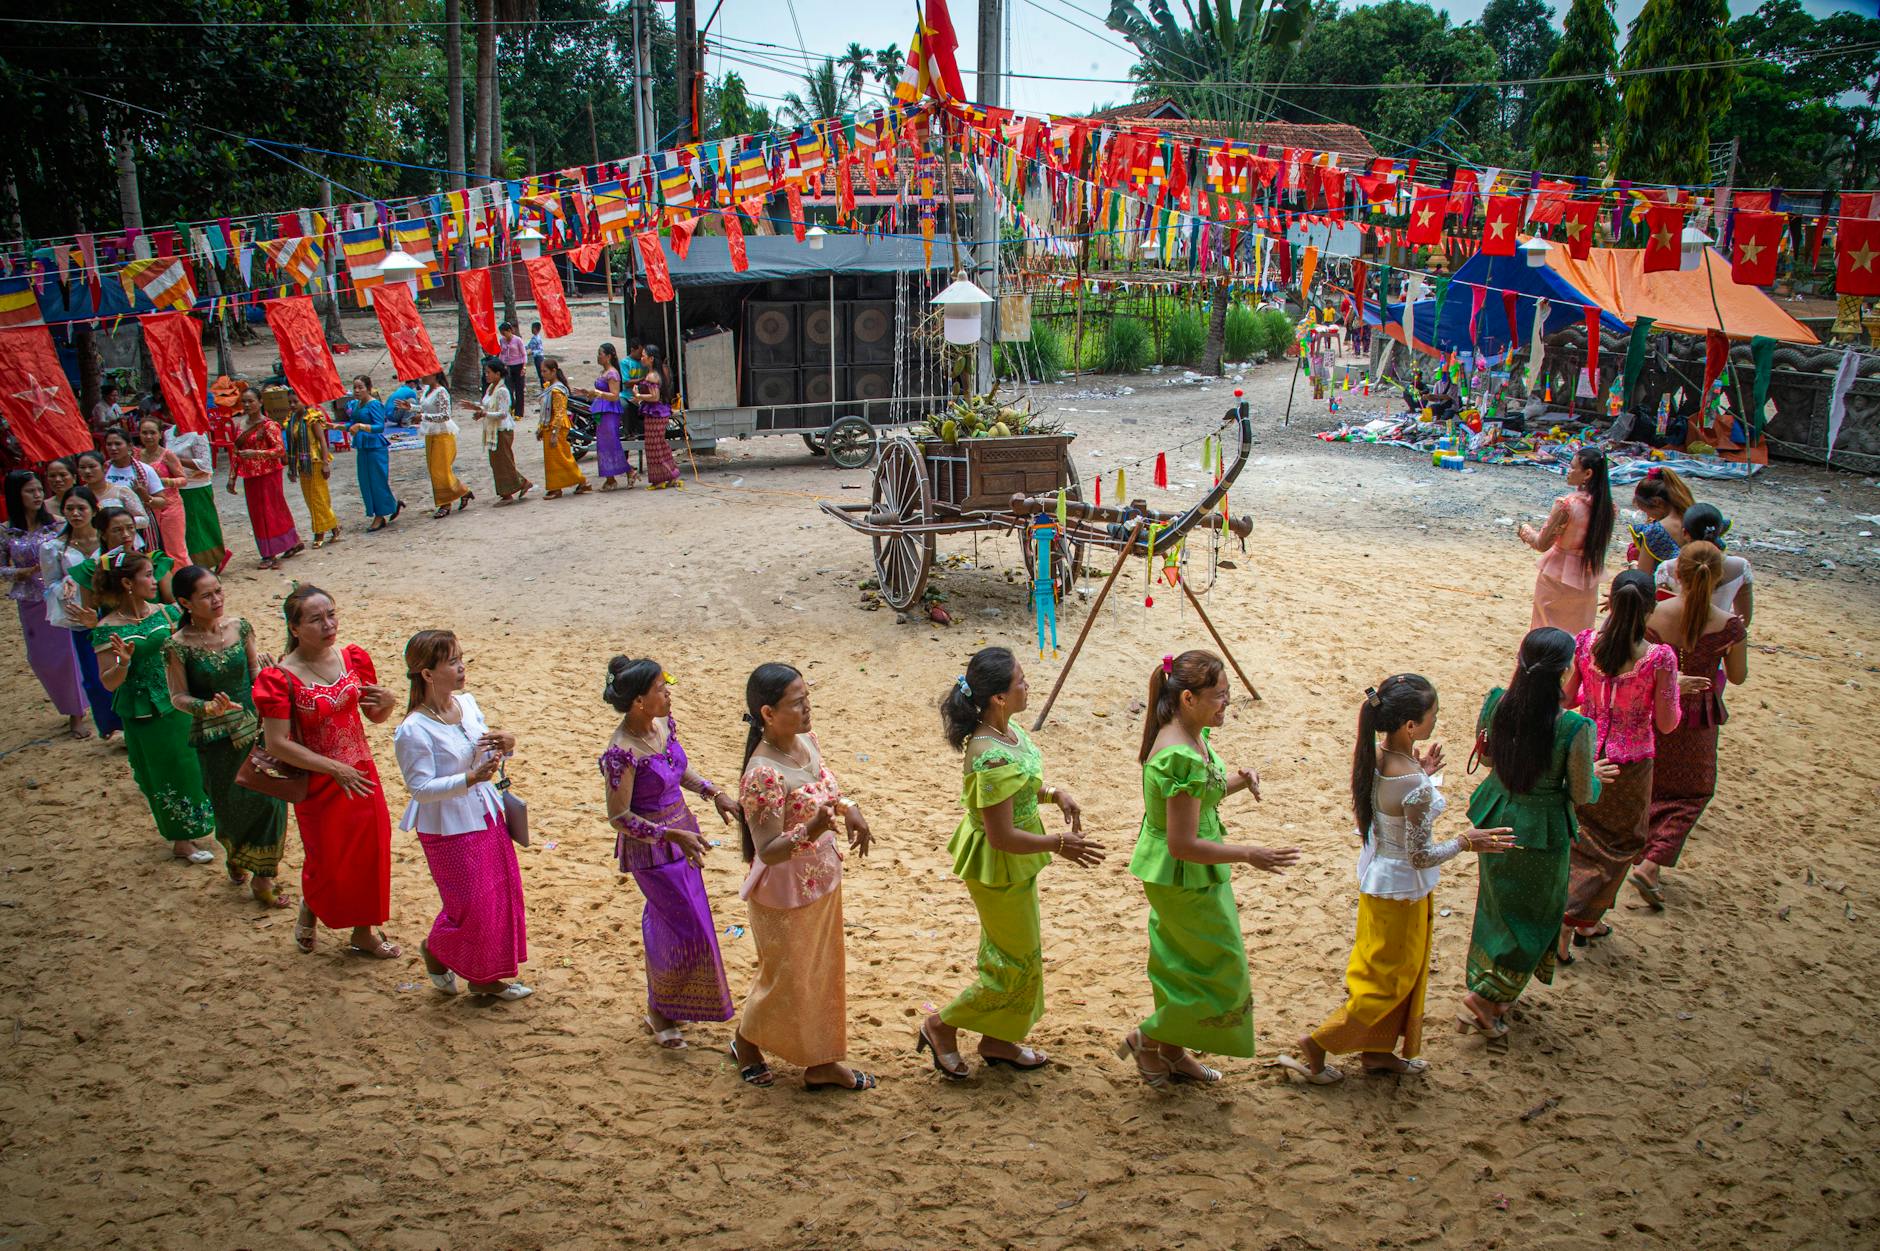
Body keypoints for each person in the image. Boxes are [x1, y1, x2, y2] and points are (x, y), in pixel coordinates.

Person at [1281, 677, 1514, 1084]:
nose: (1435, 720)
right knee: (1392, 979)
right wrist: (1465, 841)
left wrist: (1421, 772)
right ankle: (1318, 1044)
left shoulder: (1378, 758)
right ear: (1410, 726)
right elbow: (1421, 855)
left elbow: (1391, 811)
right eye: (1432, 716)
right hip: (1403, 890)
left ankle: (1378, 1052)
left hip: (1381, 881)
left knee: (1382, 971)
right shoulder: (1412, 785)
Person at [919, 647, 1103, 1081]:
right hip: (999, 864)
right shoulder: (990, 754)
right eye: (1021, 680)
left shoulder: (1007, 731)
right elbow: (1000, 834)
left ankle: (998, 1040)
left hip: (1013, 863)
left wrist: (1053, 793)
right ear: (998, 697)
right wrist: (1059, 843)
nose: (1027, 685)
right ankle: (940, 1025)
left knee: (1013, 955)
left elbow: (1018, 791)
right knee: (1014, 963)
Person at [1120, 650, 1298, 1086]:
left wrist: (1238, 781)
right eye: (1219, 696)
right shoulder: (1179, 754)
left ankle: (1171, 1052)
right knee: (1220, 970)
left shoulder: (1190, 733)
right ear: (1186, 698)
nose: (1226, 705)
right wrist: (1249, 853)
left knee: (1181, 964)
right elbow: (1183, 844)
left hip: (1183, 873)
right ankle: (1147, 1038)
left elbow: (1198, 798)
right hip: (1183, 875)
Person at [1460, 628, 1616, 1037]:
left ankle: (1489, 989)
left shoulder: (1497, 702)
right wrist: (1595, 776)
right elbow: (1582, 792)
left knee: (1496, 908)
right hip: (1541, 829)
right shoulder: (1573, 727)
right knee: (1538, 916)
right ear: (1565, 671)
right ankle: (1486, 999)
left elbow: (1491, 761)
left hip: (1497, 814)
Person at [729, 663, 876, 1092]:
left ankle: (821, 1061)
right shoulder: (762, 774)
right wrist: (812, 828)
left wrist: (850, 809)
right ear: (768, 714)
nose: (807, 709)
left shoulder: (806, 742)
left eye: (807, 698)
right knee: (786, 977)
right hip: (784, 890)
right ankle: (745, 1041)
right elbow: (768, 850)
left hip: (822, 879)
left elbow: (827, 792)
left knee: (822, 973)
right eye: (797, 703)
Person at [253, 585, 401, 958]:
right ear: (295, 627)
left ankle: (364, 932)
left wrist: (388, 703)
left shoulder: (351, 657)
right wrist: (334, 768)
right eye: (316, 619)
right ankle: (312, 904)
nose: (329, 624)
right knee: (327, 858)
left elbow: (373, 716)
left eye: (331, 615)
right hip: (318, 779)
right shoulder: (280, 677)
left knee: (370, 853)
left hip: (361, 772)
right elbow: (276, 742)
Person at [599, 656, 736, 1045]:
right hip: (653, 852)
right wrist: (669, 835)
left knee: (690, 923)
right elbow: (619, 816)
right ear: (640, 702)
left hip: (683, 837)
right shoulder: (621, 753)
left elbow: (678, 770)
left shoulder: (661, 726)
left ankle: (666, 1006)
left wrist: (714, 793)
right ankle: (659, 1010)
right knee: (681, 927)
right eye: (661, 688)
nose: (668, 693)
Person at [396, 630, 531, 999]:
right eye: (452, 662)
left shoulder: (467, 705)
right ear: (427, 674)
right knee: (470, 903)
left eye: (460, 659)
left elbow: (482, 748)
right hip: (448, 826)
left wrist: (505, 745)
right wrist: (470, 778)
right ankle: (440, 950)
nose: (461, 668)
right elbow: (420, 789)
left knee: (498, 896)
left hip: (485, 814)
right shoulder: (413, 729)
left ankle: (484, 976)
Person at [1555, 570, 1684, 958]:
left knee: (1581, 839)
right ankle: (1572, 917)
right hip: (1631, 763)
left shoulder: (1586, 644)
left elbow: (1568, 698)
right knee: (1623, 843)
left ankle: (1582, 919)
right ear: (1651, 607)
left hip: (1586, 752)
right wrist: (1677, 691)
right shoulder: (1659, 658)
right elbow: (1666, 722)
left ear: (1610, 601)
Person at [1630, 543, 1750, 910]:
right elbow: (1738, 676)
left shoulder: (1653, 614)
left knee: (1648, 781)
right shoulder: (1729, 625)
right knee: (1692, 792)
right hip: (1698, 712)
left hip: (1653, 705)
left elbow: (1635, 663)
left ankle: (1637, 851)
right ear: (1716, 579)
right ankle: (1652, 863)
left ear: (1676, 574)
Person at [162, 565, 289, 906]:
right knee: (230, 805)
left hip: (255, 727)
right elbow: (177, 697)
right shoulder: (177, 647)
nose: (217, 599)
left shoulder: (240, 627)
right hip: (216, 740)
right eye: (206, 595)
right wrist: (207, 708)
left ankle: (263, 878)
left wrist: (268, 673)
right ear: (186, 603)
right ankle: (236, 855)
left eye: (218, 590)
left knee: (270, 800)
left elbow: (253, 675)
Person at [92, 552, 218, 862]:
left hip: (178, 699)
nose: (154, 580)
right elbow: (109, 682)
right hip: (144, 710)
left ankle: (203, 823)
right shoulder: (106, 629)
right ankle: (181, 839)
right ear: (127, 583)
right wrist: (123, 662)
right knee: (163, 770)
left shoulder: (165, 613)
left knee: (193, 762)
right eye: (147, 575)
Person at [2, 470, 89, 737]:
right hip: (29, 599)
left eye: (40, 489)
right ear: (17, 495)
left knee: (67, 656)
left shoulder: (58, 523)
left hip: (61, 596)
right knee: (41, 659)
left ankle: (77, 712)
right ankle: (68, 704)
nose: (38, 495)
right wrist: (20, 573)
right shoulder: (6, 531)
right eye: (30, 491)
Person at [39, 487, 119, 738]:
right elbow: (48, 583)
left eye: (81, 508)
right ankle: (109, 725)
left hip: (113, 610)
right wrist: (64, 584)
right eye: (69, 509)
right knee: (94, 676)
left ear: (94, 509)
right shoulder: (54, 548)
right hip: (83, 616)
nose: (75, 513)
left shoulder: (109, 538)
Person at [1517, 445, 1613, 636]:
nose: (1568, 472)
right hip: (1587, 576)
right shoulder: (1607, 508)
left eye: (1572, 467)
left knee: (1545, 627)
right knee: (1579, 632)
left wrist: (1524, 530)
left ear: (1587, 474)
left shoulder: (1567, 505)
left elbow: (1542, 543)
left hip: (1557, 575)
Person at [226, 389, 304, 570]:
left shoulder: (269, 425)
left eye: (250, 401)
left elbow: (279, 450)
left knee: (271, 510)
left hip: (268, 473)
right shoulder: (241, 425)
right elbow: (236, 453)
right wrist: (232, 477)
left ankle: (270, 553)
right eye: (244, 402)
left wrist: (256, 453)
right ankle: (290, 543)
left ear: (260, 402)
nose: (247, 405)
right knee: (257, 513)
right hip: (250, 475)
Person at [1658, 504, 1752, 625]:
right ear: (1720, 531)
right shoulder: (1740, 567)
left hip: (1675, 638)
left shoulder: (1668, 568)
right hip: (1720, 638)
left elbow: (1663, 615)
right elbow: (1744, 620)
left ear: (1685, 532)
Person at [163, 420, 228, 571]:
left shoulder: (197, 434)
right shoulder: (168, 433)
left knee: (201, 526)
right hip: (177, 486)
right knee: (186, 528)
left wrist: (176, 461)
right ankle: (193, 563)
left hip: (196, 486)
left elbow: (205, 464)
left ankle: (210, 561)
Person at [466, 357, 532, 504]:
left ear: (497, 374)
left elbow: (503, 413)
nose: (486, 375)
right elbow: (488, 406)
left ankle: (508, 492)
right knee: (497, 462)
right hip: (494, 429)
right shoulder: (491, 389)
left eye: (488, 372)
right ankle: (519, 484)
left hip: (502, 429)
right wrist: (477, 408)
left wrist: (484, 414)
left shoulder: (502, 391)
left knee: (503, 461)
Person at [344, 376, 404, 532]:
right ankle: (391, 504)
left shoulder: (374, 404)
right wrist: (331, 426)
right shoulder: (356, 404)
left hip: (375, 446)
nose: (357, 391)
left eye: (361, 387)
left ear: (369, 388)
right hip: (362, 446)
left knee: (377, 480)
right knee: (365, 481)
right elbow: (351, 424)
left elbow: (379, 427)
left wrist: (361, 426)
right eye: (355, 387)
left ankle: (380, 515)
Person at [283, 403, 341, 548]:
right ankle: (333, 526)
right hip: (301, 463)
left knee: (318, 497)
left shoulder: (312, 418)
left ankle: (319, 531)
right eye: (289, 402)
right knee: (310, 498)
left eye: (295, 401)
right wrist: (291, 467)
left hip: (315, 461)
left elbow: (322, 440)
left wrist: (325, 463)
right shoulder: (291, 420)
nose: (292, 405)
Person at [133, 417, 190, 559]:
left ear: (160, 434)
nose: (148, 437)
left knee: (175, 549)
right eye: (144, 433)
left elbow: (183, 480)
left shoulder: (167, 455)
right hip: (148, 508)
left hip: (170, 507)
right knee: (154, 549)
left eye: (152, 433)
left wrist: (165, 481)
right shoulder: (136, 455)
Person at [578, 343, 631, 491]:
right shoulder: (604, 373)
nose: (598, 356)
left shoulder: (612, 374)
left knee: (611, 444)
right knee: (604, 445)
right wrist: (587, 392)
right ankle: (611, 477)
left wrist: (597, 393)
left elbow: (614, 396)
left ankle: (625, 472)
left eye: (600, 353)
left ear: (608, 356)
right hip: (602, 411)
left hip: (610, 412)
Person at [419, 373, 473, 519]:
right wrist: (411, 408)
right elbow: (426, 408)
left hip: (443, 433)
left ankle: (445, 503)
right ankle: (462, 491)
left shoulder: (441, 392)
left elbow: (445, 415)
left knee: (440, 469)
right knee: (434, 468)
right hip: (431, 432)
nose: (421, 376)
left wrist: (423, 417)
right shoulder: (426, 390)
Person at [1628, 465, 1694, 582]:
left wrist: (1633, 566)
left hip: (1667, 595)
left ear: (1657, 502)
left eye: (1646, 512)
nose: (1648, 516)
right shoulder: (1701, 518)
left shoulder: (1655, 532)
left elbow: (1643, 579)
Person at [536, 357, 589, 499]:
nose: (543, 374)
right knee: (554, 459)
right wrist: (541, 428)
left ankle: (580, 481)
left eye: (545, 371)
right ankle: (556, 486)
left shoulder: (557, 390)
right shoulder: (550, 388)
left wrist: (554, 432)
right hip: (550, 426)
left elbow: (559, 413)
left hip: (557, 427)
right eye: (542, 371)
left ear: (553, 371)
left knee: (561, 457)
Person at [633, 344, 682, 489]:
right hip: (658, 413)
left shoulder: (652, 376)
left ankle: (660, 479)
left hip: (655, 414)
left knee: (654, 446)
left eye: (644, 356)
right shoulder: (656, 374)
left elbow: (654, 397)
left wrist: (638, 396)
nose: (641, 358)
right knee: (660, 445)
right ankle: (670, 476)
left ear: (651, 359)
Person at [77, 447, 150, 538]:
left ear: (103, 467)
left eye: (92, 466)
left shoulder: (122, 491)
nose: (87, 471)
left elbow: (144, 520)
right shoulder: (77, 495)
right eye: (82, 467)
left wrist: (118, 524)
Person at [497, 321, 527, 417]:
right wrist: (500, 364)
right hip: (507, 366)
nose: (503, 335)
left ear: (509, 331)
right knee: (508, 389)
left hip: (518, 365)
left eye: (504, 333)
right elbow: (502, 353)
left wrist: (524, 367)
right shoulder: (502, 340)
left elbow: (523, 354)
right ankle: (512, 407)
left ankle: (519, 412)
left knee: (519, 390)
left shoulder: (517, 340)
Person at [526, 321, 545, 386]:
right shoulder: (534, 338)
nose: (531, 329)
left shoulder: (537, 338)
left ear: (537, 329)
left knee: (541, 373)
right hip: (537, 357)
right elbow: (528, 346)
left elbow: (540, 350)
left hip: (539, 357)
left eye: (533, 328)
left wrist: (532, 352)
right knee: (539, 373)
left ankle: (544, 386)